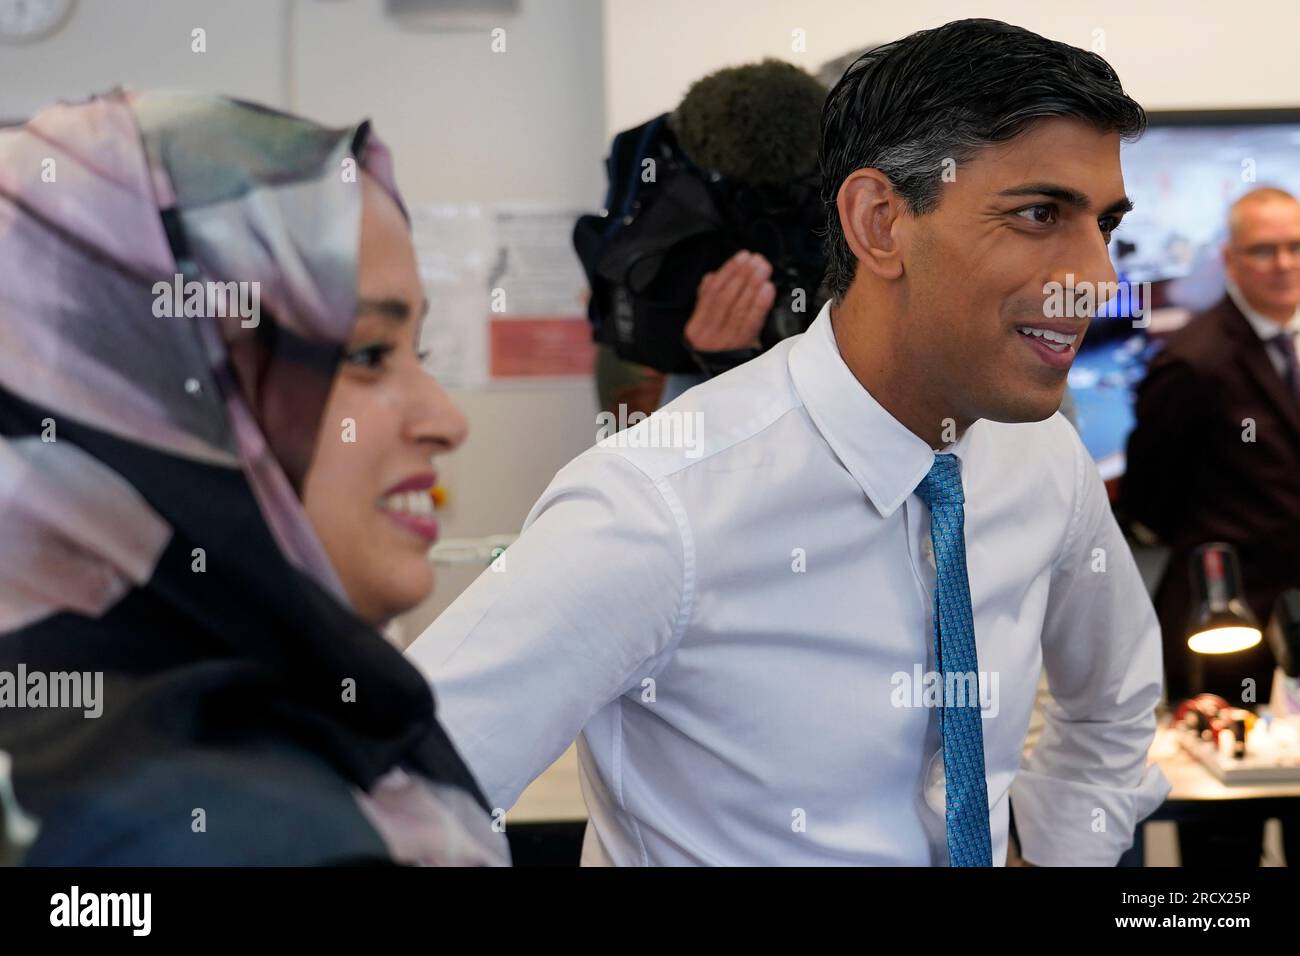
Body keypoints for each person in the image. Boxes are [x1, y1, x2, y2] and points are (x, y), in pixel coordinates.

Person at [409, 18, 1170, 866]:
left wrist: (1066, 855)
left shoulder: (1042, 460)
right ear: (880, 221)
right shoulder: (656, 507)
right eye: (1038, 214)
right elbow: (402, 797)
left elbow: (1112, 705)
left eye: (1103, 224)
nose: (1099, 280)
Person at [0, 90, 506, 866]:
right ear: (158, 405)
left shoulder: (86, 736)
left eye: (420, 353)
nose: (446, 420)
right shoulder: (241, 835)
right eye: (366, 354)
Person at [1119, 186, 1300, 866]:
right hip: (1225, 631)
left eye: (1295, 246)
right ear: (1230, 259)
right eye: (1264, 249)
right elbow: (1151, 505)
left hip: (1298, 626)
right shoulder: (1193, 362)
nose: (1283, 263)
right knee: (1222, 847)